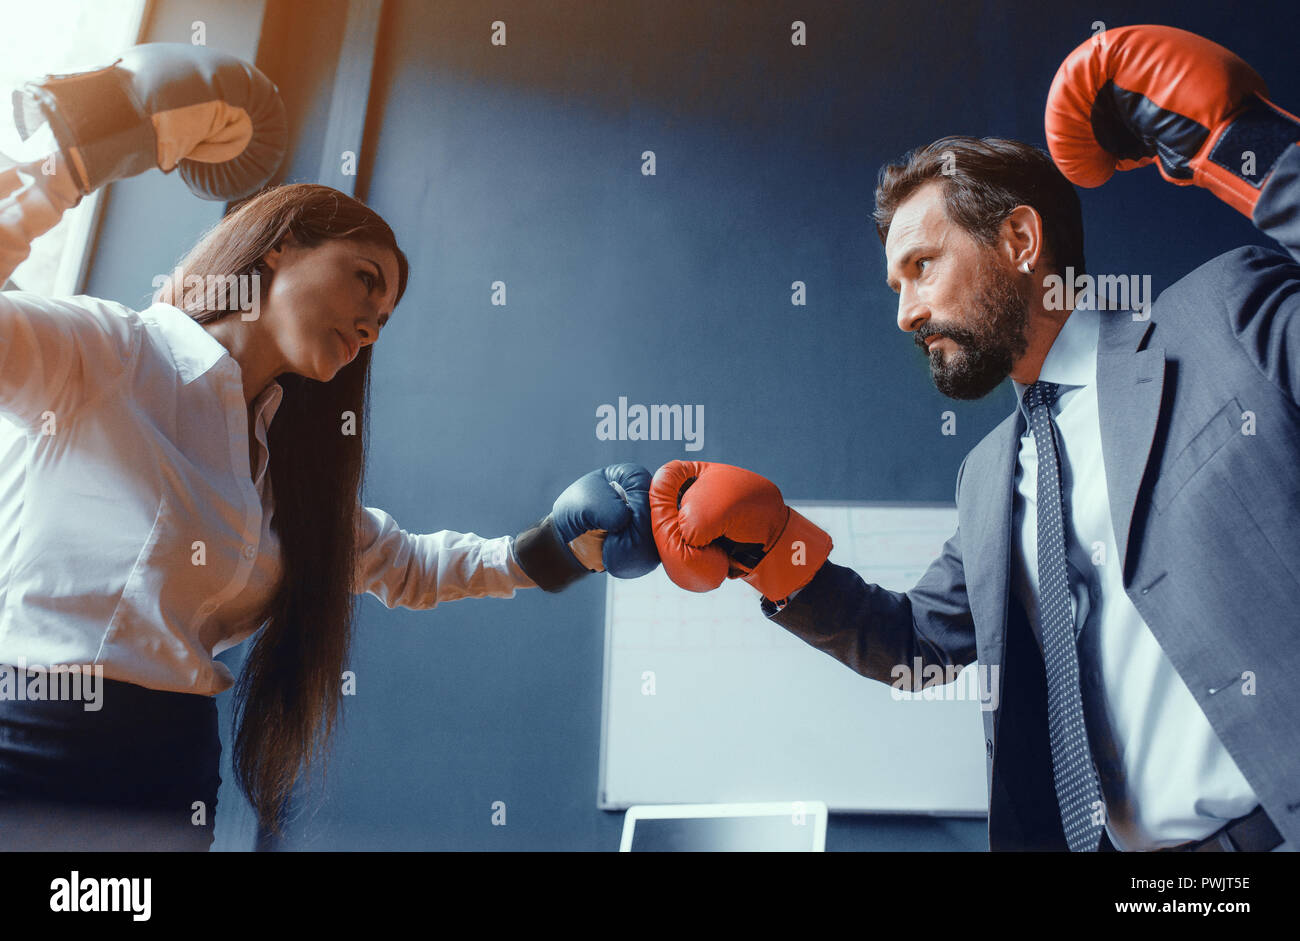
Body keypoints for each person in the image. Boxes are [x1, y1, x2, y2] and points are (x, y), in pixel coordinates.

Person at [649, 25, 1299, 852]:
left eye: (921, 266)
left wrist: (1246, 146)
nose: (904, 312)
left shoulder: (1220, 319)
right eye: (895, 283)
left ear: (1021, 242)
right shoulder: (992, 475)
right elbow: (918, 642)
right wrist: (770, 551)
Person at [0, 46, 658, 851]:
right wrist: (72, 146)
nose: (372, 324)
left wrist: (556, 550)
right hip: (33, 747)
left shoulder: (283, 469)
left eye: (384, 321)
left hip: (170, 778)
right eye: (365, 281)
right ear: (278, 246)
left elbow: (411, 566)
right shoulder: (111, 354)